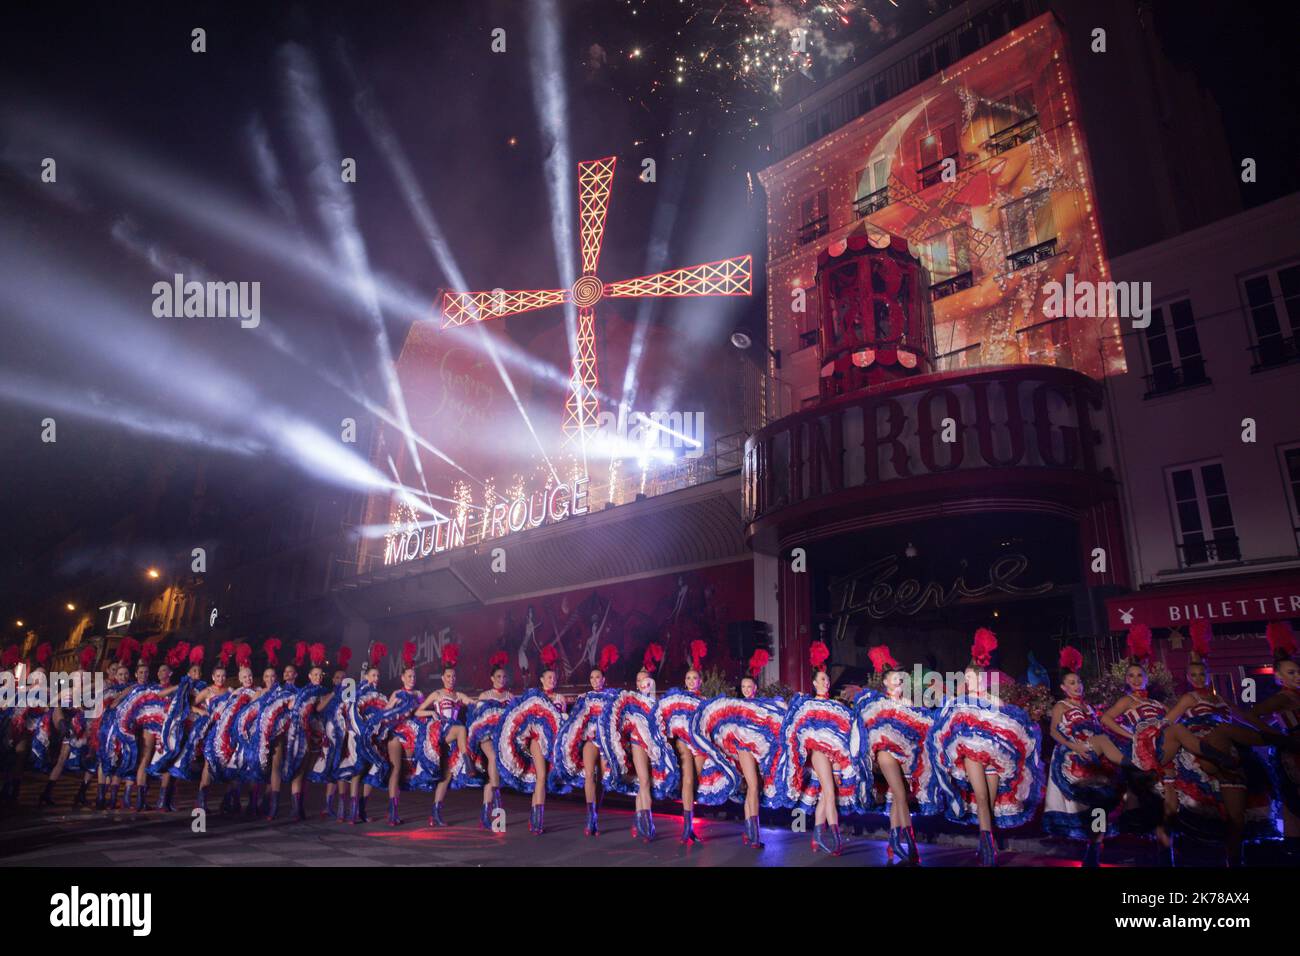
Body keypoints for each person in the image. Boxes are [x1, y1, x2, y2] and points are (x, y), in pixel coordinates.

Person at [927, 629, 1044, 866]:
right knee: (980, 797)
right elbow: (944, 718)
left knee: (989, 802)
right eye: (967, 678)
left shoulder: (993, 700)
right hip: (970, 755)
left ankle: (985, 844)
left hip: (994, 759)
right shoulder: (960, 701)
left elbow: (1011, 723)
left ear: (982, 678)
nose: (970, 681)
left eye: (974, 678)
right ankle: (989, 848)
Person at [690, 657, 786, 849]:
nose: (746, 689)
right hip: (743, 748)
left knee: (754, 787)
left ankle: (750, 831)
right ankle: (753, 833)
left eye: (749, 686)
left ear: (755, 688)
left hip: (759, 749)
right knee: (752, 785)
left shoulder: (759, 704)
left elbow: (774, 713)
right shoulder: (737, 706)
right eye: (743, 686)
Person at [853, 645, 935, 864]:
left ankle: (893, 844)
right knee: (900, 795)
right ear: (886, 682)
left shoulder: (908, 704)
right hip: (885, 753)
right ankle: (910, 844)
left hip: (904, 756)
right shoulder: (879, 703)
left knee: (899, 797)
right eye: (896, 678)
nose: (900, 681)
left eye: (901, 678)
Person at [1041, 646, 1119, 866]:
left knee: (1101, 802)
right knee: (1088, 804)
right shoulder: (1061, 706)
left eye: (1079, 682)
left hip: (1096, 755)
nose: (1077, 686)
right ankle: (1093, 845)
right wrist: (1073, 747)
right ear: (1063, 687)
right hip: (1072, 757)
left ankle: (1095, 845)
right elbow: (1054, 731)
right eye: (1072, 683)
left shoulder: (1089, 707)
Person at [781, 642, 859, 855]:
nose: (826, 682)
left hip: (833, 756)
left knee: (826, 795)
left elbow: (843, 733)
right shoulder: (808, 705)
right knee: (830, 792)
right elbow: (802, 732)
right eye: (822, 679)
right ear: (814, 684)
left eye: (827, 679)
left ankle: (817, 837)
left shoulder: (836, 705)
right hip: (817, 754)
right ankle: (835, 840)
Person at [601, 664, 677, 842]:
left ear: (651, 682)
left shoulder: (658, 702)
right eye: (639, 680)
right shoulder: (631, 700)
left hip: (655, 746)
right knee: (643, 781)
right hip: (636, 742)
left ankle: (638, 821)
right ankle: (647, 824)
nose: (642, 683)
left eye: (645, 680)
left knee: (645, 784)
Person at [495, 650, 566, 834]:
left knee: (541, 780)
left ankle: (534, 816)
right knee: (541, 776)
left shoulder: (560, 699)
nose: (552, 680)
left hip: (554, 743)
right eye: (549, 677)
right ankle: (537, 821)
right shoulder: (535, 696)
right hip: (536, 739)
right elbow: (526, 718)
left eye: (554, 678)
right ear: (541, 680)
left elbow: (561, 721)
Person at [552, 651, 618, 836]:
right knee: (589, 775)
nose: (595, 680)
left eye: (598, 677)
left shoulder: (612, 696)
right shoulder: (584, 697)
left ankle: (595, 812)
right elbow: (576, 720)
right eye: (592, 677)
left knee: (601, 780)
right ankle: (590, 817)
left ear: (604, 679)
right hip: (590, 740)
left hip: (606, 742)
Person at [414, 646, 478, 826]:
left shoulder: (458, 695)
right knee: (461, 729)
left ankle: (435, 813)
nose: (451, 679)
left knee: (446, 777)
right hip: (440, 732)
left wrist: (484, 702)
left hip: (452, 741)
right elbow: (418, 712)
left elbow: (473, 702)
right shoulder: (437, 694)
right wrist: (431, 714)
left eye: (453, 677)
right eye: (448, 676)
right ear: (443, 678)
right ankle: (467, 762)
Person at [466, 652, 512, 830]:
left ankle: (486, 815)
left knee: (492, 776)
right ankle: (498, 806)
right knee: (492, 758)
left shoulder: (510, 696)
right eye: (498, 676)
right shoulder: (485, 695)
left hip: (501, 737)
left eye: (503, 676)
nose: (501, 679)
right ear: (492, 678)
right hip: (484, 735)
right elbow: (478, 719)